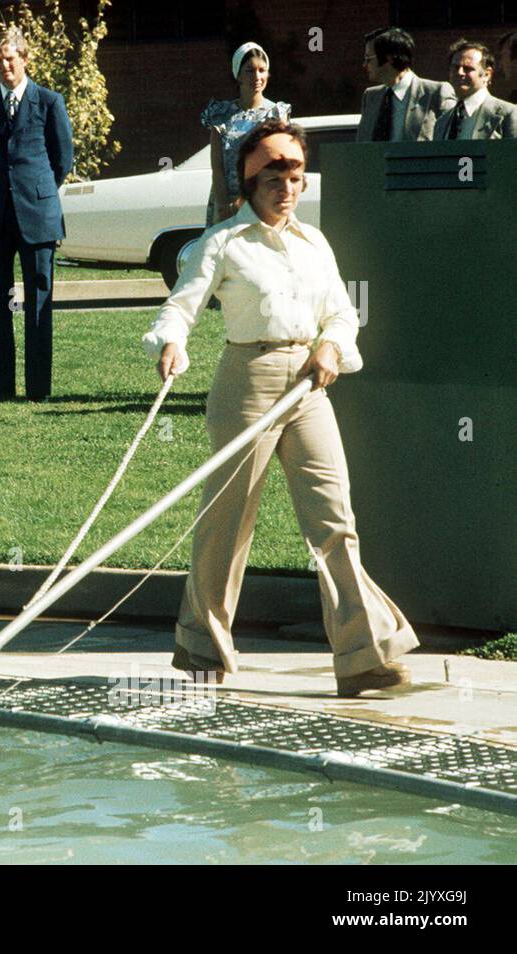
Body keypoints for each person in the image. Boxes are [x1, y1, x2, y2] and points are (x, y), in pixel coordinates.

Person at [143, 119, 419, 698]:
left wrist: (330, 346)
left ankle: (364, 656)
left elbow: (344, 314)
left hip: (309, 386)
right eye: (273, 174)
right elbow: (182, 305)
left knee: (334, 520)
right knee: (228, 521)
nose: (287, 184)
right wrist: (170, 342)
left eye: (295, 172)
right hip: (247, 379)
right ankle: (202, 647)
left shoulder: (314, 242)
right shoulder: (222, 243)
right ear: (247, 180)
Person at [0, 28, 72, 402]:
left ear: (24, 58)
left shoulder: (49, 101)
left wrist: (34, 192)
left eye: (10, 58)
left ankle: (38, 389)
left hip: (37, 216)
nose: (5, 66)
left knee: (39, 305)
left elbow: (62, 160)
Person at [201, 42, 290, 224]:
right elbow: (217, 168)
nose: (257, 76)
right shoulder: (221, 115)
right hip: (226, 207)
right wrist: (226, 207)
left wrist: (249, 204)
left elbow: (278, 166)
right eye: (250, 70)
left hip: (263, 205)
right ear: (238, 75)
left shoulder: (276, 115)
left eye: (262, 70)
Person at [355, 27, 455, 142]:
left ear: (389, 58)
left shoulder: (435, 92)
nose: (364, 65)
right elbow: (362, 144)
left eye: (368, 58)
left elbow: (452, 141)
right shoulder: (371, 96)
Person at [433, 39, 517, 140]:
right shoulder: (442, 122)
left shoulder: (508, 114)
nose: (460, 72)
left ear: (487, 74)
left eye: (468, 68)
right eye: (455, 67)